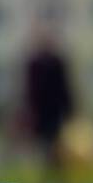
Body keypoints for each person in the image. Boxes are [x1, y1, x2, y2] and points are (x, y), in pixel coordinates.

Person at [23, 28, 76, 166]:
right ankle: (51, 164)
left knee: (53, 139)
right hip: (42, 109)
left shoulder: (54, 62)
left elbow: (64, 85)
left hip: (53, 108)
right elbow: (30, 88)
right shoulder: (36, 63)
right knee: (47, 140)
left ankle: (54, 164)